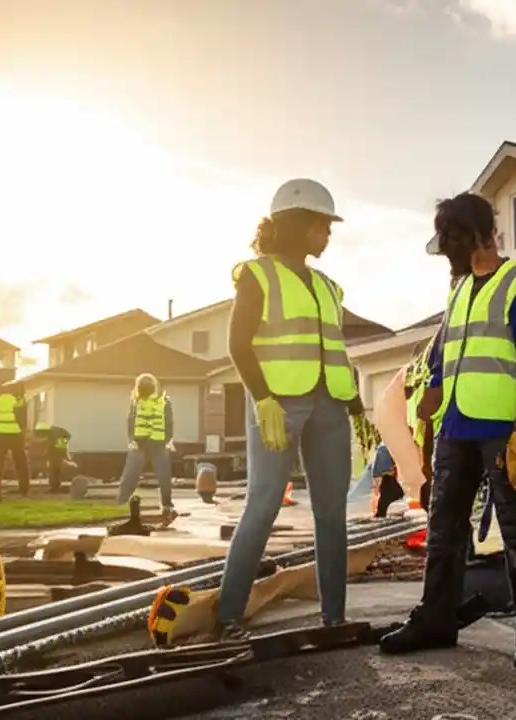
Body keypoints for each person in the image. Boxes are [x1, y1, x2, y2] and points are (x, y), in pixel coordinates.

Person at [379, 191, 516, 669]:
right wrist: (424, 418)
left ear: (481, 233)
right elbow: (442, 363)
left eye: (454, 241)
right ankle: (436, 619)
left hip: (502, 430)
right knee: (443, 529)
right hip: (455, 427)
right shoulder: (457, 290)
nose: (449, 255)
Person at [213, 178, 366, 641]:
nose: (329, 234)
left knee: (331, 512)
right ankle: (227, 619)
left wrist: (356, 406)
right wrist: (262, 400)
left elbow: (333, 349)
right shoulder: (257, 275)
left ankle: (334, 618)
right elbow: (238, 344)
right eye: (323, 224)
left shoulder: (329, 287)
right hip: (279, 403)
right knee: (261, 507)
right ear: (298, 226)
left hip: (329, 406)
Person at [115, 373, 177, 522]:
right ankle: (166, 504)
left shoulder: (137, 401)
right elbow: (169, 423)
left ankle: (121, 502)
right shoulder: (162, 401)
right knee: (162, 476)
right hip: (154, 442)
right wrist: (166, 439)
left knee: (131, 475)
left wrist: (133, 439)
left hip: (144, 443)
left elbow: (130, 421)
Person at [0, 382, 29, 503]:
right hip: (15, 433)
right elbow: (22, 418)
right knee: (21, 463)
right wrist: (24, 432)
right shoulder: (19, 400)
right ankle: (24, 489)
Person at [33, 421, 73, 493]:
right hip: (62, 439)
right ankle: (55, 484)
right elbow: (50, 446)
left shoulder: (53, 434)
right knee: (54, 463)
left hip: (62, 440)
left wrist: (48, 454)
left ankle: (55, 486)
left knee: (54, 465)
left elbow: (53, 446)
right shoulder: (51, 432)